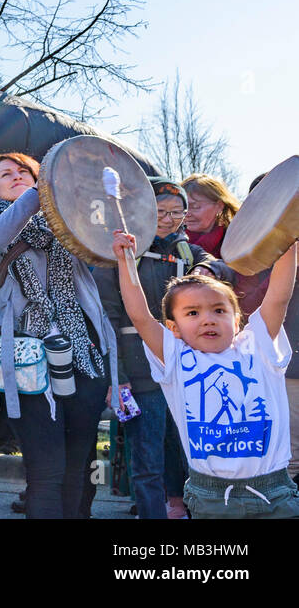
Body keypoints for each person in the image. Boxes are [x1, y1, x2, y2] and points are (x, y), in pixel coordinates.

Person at [0, 152, 119, 519]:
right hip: (27, 362)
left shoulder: (70, 229)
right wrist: (36, 193)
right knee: (47, 472)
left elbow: (109, 249)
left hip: (84, 356)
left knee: (79, 468)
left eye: (26, 173)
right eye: (7, 174)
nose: (18, 177)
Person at [113, 229, 299, 517]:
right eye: (192, 313)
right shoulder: (175, 359)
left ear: (236, 320)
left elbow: (277, 299)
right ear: (173, 328)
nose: (207, 320)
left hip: (272, 492)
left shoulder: (256, 347)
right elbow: (140, 316)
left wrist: (288, 241)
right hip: (210, 495)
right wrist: (126, 261)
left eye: (218, 311)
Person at [95, 177, 220, 519]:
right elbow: (106, 316)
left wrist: (205, 269)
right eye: (161, 211)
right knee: (146, 459)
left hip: (185, 372)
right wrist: (117, 376)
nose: (169, 218)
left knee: (190, 455)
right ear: (144, 209)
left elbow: (221, 268)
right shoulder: (122, 252)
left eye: (177, 212)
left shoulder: (187, 251)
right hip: (139, 373)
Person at [182, 173, 241, 257]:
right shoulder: (170, 242)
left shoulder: (238, 243)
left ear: (219, 206)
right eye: (183, 207)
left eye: (195, 206)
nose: (187, 214)